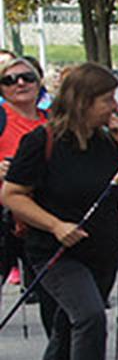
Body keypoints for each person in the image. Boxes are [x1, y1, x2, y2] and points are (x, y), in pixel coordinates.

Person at [1, 64, 118, 360]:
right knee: (89, 317)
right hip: (54, 251)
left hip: (102, 251)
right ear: (82, 102)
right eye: (106, 99)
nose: (114, 107)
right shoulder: (42, 141)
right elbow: (12, 195)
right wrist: (55, 225)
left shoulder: (108, 143)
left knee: (72, 322)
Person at [0, 56, 48, 286]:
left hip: (42, 215)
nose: (20, 83)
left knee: (49, 289)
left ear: (38, 83)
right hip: (5, 216)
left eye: (27, 77)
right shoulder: (1, 118)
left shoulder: (52, 120)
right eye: (9, 80)